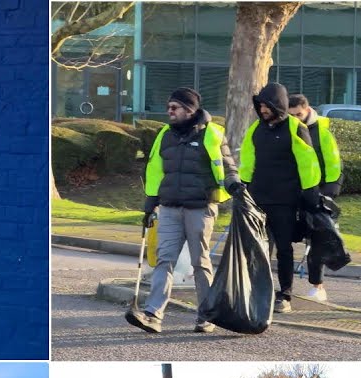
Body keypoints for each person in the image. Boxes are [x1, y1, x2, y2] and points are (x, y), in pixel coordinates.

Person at [126, 87, 239, 335]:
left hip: (200, 207)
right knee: (164, 260)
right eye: (168, 107)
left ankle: (206, 316)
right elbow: (155, 171)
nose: (169, 111)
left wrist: (233, 183)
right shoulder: (164, 135)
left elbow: (228, 166)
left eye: (174, 107)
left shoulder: (213, 134)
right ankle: (153, 315)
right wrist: (150, 203)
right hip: (169, 208)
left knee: (200, 263)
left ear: (190, 110)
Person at [239, 83, 323, 314]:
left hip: (285, 201)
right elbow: (247, 160)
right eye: (261, 106)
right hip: (258, 199)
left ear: (278, 105)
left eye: (267, 106)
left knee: (284, 249)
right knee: (259, 248)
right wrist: (242, 187)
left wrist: (310, 194)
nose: (263, 110)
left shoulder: (295, 128)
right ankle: (258, 290)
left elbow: (308, 164)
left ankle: (285, 293)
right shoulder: (256, 129)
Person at [287, 93, 343, 302]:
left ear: (307, 110)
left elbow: (333, 164)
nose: (296, 119)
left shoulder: (322, 132)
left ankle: (317, 285)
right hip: (292, 192)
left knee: (318, 240)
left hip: (317, 193)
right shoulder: (288, 127)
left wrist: (328, 194)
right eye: (291, 115)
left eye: (298, 114)